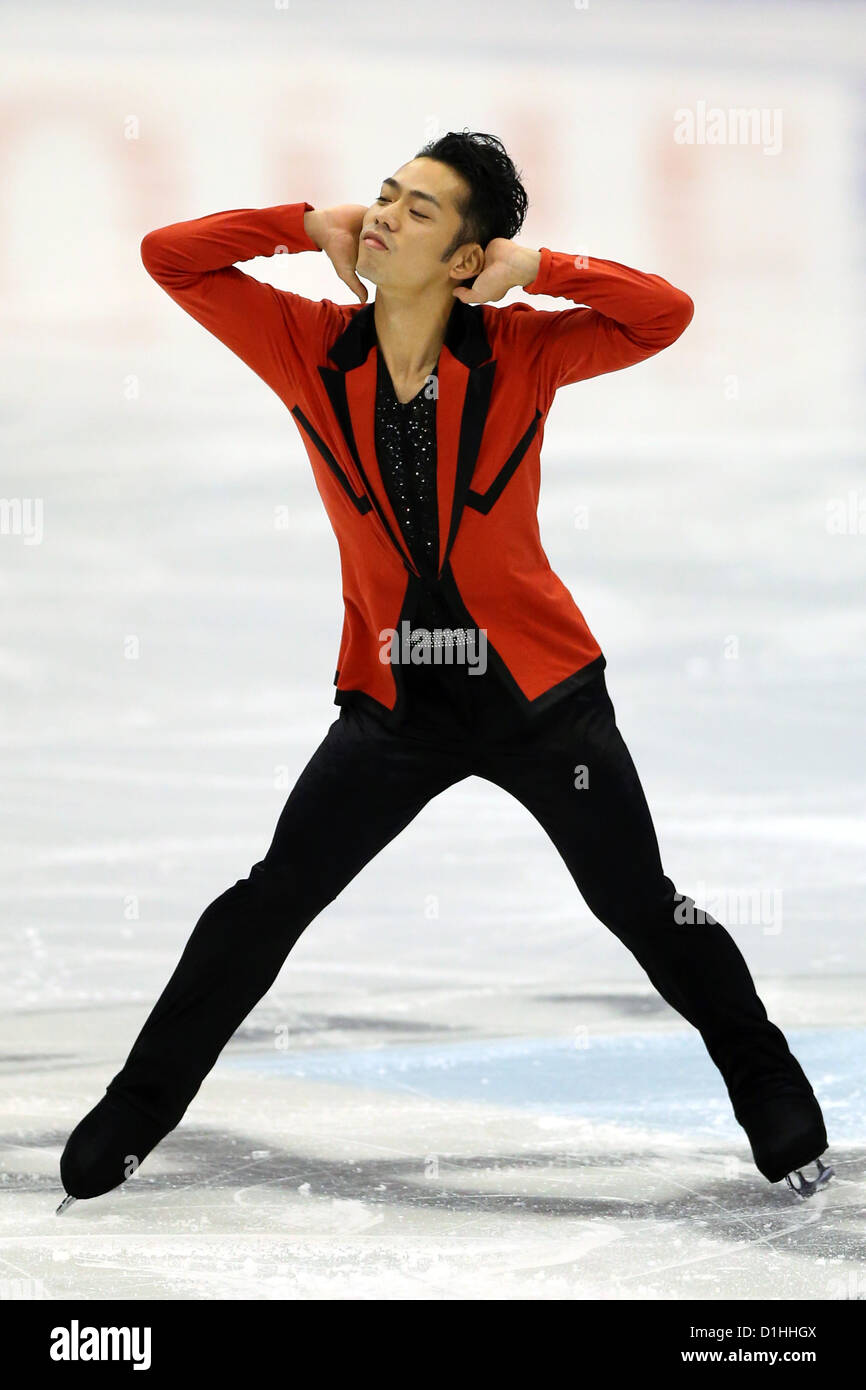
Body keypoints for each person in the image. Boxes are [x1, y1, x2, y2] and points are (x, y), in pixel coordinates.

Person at [57, 130, 831, 1212]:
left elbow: (662, 315)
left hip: (539, 701)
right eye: (382, 195)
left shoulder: (521, 353)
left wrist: (546, 271)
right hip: (395, 707)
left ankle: (765, 1081)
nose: (382, 215)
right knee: (267, 902)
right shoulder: (304, 344)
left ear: (469, 255)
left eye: (418, 209)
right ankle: (137, 1111)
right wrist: (299, 225)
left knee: (640, 904)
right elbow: (170, 255)